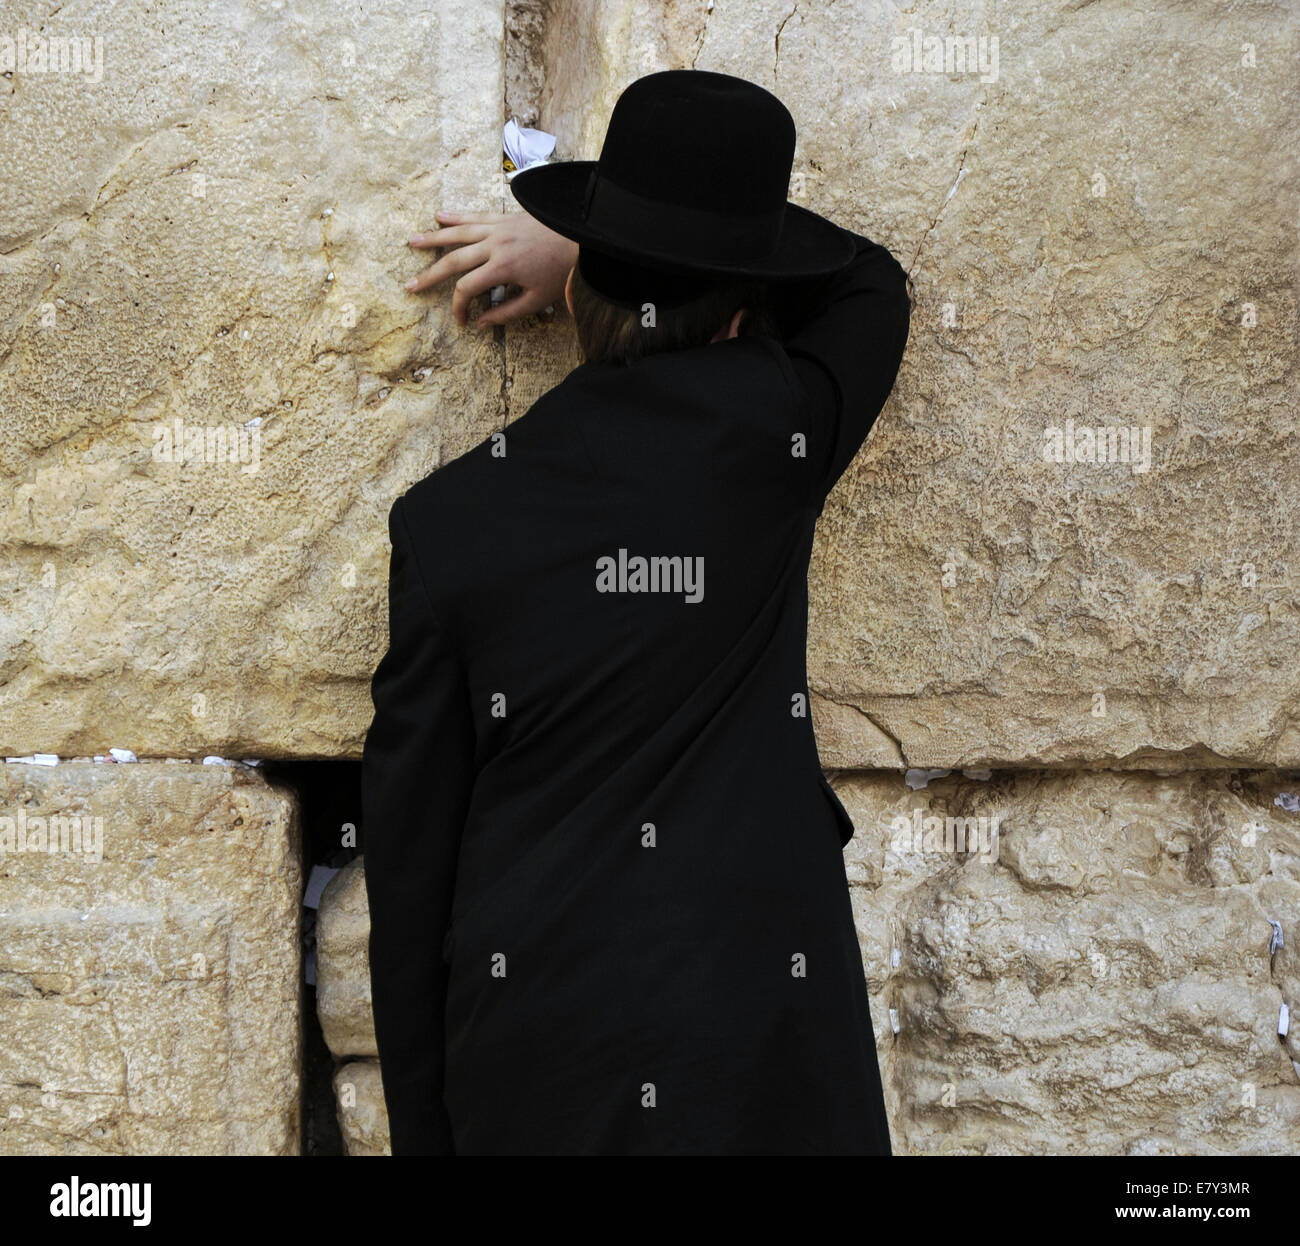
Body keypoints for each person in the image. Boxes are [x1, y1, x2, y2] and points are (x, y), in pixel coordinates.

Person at [362, 68, 911, 1155]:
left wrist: (427, 1132)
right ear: (744, 316)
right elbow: (871, 287)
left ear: (572, 298)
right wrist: (600, 247)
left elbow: (410, 859)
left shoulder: (449, 520)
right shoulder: (774, 430)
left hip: (539, 1036)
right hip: (759, 1027)